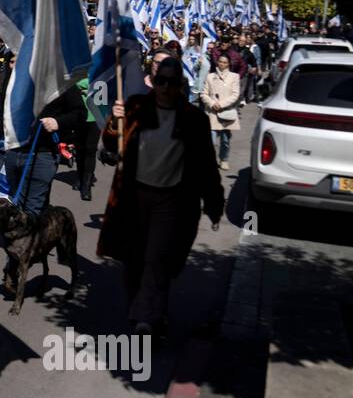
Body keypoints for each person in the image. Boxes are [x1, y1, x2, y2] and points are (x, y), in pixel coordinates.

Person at [99, 57, 224, 337]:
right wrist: (114, 122)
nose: (165, 88)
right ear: (153, 82)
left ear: (181, 84)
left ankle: (145, 318)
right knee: (133, 261)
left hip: (172, 202)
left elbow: (205, 164)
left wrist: (215, 203)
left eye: (171, 82)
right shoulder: (135, 108)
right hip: (133, 198)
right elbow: (110, 145)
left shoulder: (193, 119)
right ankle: (150, 310)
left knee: (157, 259)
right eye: (160, 81)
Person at [0, 63, 85, 215]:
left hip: (42, 154)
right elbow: (4, 112)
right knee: (16, 203)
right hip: (13, 153)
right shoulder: (14, 79)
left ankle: (28, 236)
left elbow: (80, 113)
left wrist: (58, 122)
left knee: (33, 208)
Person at [200, 54, 241, 170]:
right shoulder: (210, 77)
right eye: (220, 61)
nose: (222, 64)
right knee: (211, 140)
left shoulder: (234, 77)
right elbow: (203, 94)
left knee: (225, 140)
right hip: (212, 112)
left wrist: (221, 104)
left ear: (228, 64)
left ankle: (224, 159)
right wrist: (212, 104)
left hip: (226, 112)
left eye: (224, 62)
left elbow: (235, 94)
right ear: (217, 62)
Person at [74, 73, 99, 201]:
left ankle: (86, 185)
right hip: (78, 114)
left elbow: (101, 86)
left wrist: (84, 88)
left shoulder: (100, 67)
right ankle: (79, 177)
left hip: (95, 115)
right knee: (79, 149)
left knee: (90, 150)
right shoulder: (79, 66)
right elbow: (72, 84)